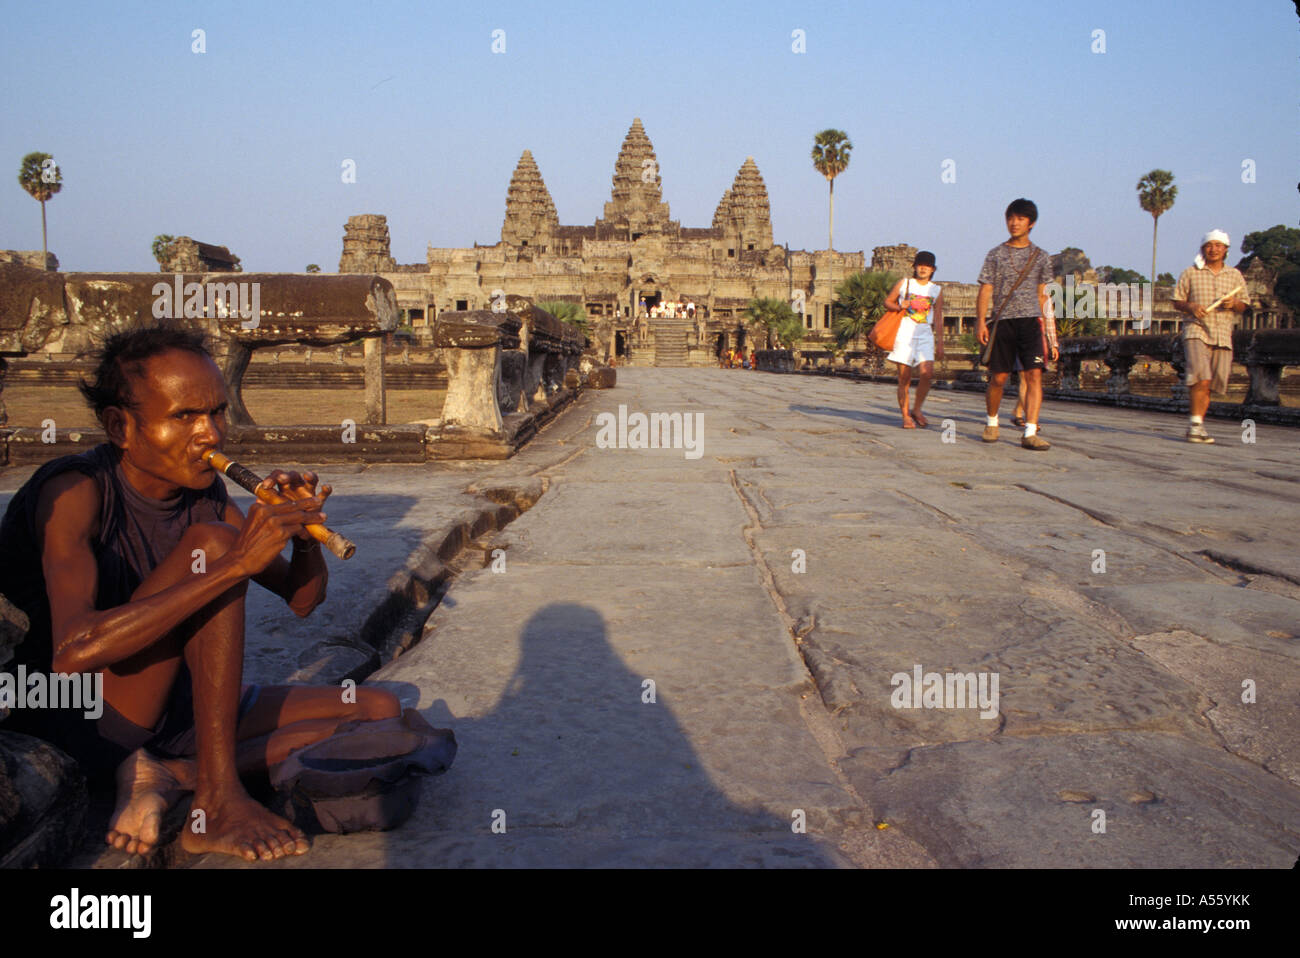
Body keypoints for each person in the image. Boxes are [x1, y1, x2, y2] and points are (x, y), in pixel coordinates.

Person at [0, 326, 401, 862]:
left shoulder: (205, 490)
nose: (210, 434)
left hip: (175, 710)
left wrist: (302, 540)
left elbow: (301, 601)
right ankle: (213, 803)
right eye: (184, 417)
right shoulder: (74, 491)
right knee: (214, 548)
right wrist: (235, 560)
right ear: (120, 426)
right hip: (83, 711)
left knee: (378, 710)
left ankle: (170, 773)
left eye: (216, 412)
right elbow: (73, 652)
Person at [976, 199, 1057, 450]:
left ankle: (1030, 431)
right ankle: (992, 421)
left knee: (1034, 376)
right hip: (1003, 321)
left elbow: (1043, 295)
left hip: (1031, 322)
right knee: (998, 377)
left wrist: (1050, 334)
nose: (1014, 223)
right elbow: (986, 289)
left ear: (1031, 223)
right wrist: (981, 321)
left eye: (1020, 218)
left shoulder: (1041, 257)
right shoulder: (996, 254)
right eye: (1011, 217)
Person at [1171, 230, 1250, 443]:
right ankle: (1196, 426)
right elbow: (1177, 301)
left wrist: (1233, 304)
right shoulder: (1190, 273)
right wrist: (1191, 306)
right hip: (1196, 329)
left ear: (1225, 250)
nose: (1213, 249)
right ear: (1203, 248)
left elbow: (1244, 304)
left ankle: (1197, 425)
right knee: (1201, 376)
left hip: (1222, 333)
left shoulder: (1234, 276)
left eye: (1218, 245)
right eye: (1209, 245)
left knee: (1210, 383)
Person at [884, 251, 945, 428]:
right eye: (920, 265)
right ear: (915, 266)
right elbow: (887, 302)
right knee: (904, 377)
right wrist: (898, 306)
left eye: (927, 266)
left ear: (933, 269)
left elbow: (939, 317)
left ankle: (917, 409)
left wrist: (940, 343)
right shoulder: (904, 283)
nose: (923, 268)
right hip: (904, 333)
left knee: (927, 374)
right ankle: (905, 416)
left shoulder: (936, 290)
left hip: (925, 334)